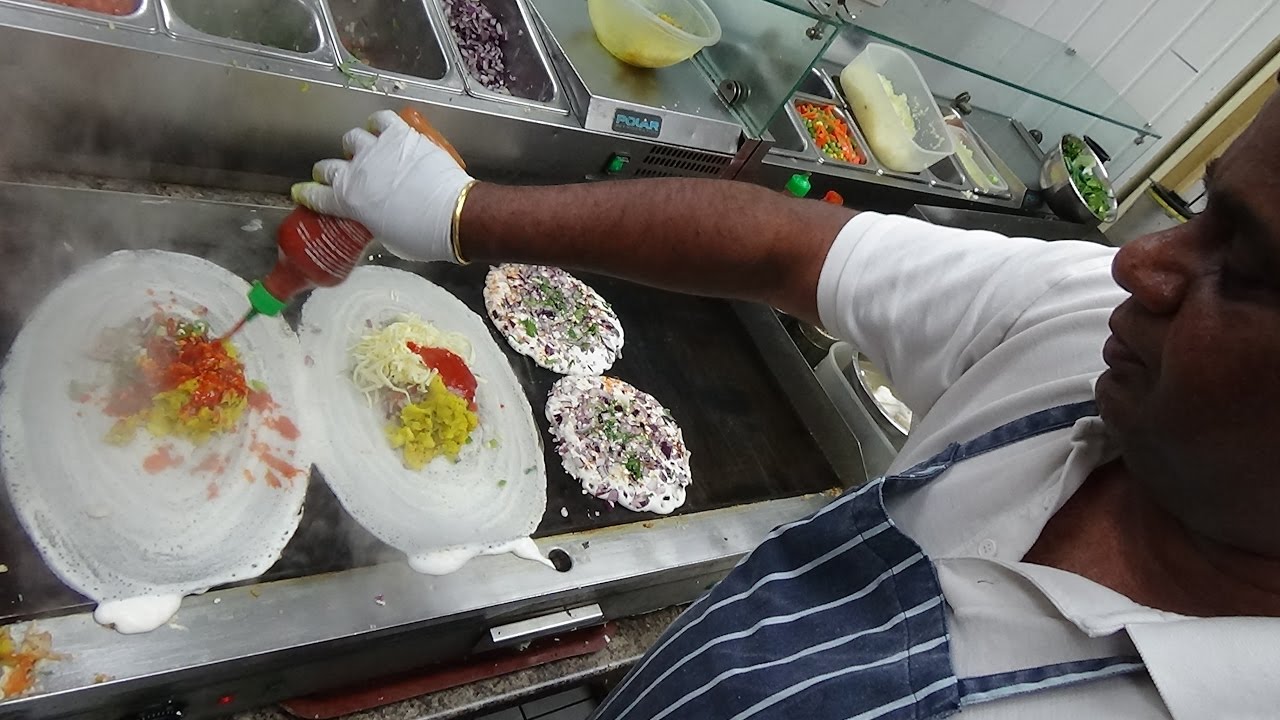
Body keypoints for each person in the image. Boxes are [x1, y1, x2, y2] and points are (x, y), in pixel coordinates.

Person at [291, 89, 1280, 718]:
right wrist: (468, 213)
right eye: (1198, 211)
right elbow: (779, 244)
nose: (1138, 262)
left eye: (1238, 260)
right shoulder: (1082, 320)